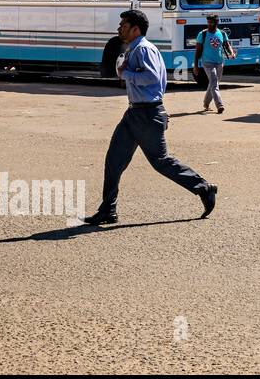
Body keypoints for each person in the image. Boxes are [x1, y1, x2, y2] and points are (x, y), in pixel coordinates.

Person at [82, 11, 217, 226]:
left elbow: (152, 78)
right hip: (135, 112)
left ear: (135, 29)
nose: (119, 29)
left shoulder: (143, 49)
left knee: (161, 162)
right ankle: (108, 209)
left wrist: (125, 74)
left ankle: (203, 188)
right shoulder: (135, 48)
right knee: (114, 160)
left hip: (146, 114)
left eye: (123, 25)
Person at [193, 13, 232, 114]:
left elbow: (227, 45)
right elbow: (197, 51)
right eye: (208, 22)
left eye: (211, 23)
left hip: (219, 63)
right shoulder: (203, 34)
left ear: (217, 22)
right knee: (214, 83)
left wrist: (231, 53)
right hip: (207, 63)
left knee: (213, 84)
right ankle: (219, 105)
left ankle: (206, 103)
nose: (209, 25)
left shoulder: (222, 33)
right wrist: (196, 66)